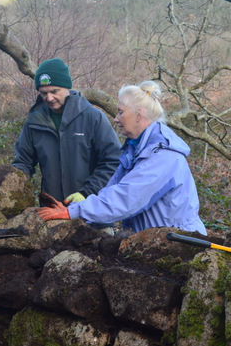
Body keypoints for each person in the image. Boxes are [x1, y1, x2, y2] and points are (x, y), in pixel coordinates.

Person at [37, 80, 206, 235]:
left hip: (182, 243)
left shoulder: (163, 156)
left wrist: (73, 212)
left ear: (139, 114)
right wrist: (75, 209)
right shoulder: (136, 149)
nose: (116, 119)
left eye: (120, 112)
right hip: (152, 241)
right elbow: (111, 193)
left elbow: (126, 199)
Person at [12, 57, 121, 204]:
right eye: (43, 93)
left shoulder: (93, 117)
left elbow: (113, 160)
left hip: (91, 206)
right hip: (52, 208)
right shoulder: (34, 122)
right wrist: (14, 186)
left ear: (67, 87)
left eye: (54, 91)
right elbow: (23, 162)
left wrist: (87, 192)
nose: (49, 98)